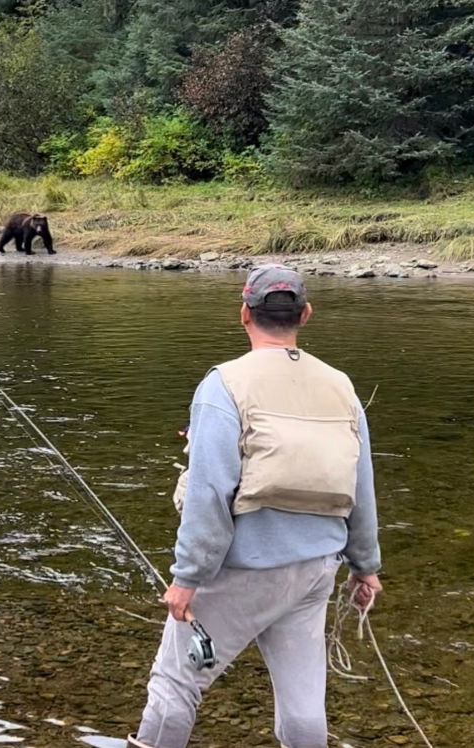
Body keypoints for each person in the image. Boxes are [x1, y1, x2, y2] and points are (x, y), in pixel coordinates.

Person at [129, 264, 383, 748]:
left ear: (244, 313)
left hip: (243, 571)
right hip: (314, 571)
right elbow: (361, 483)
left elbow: (209, 492)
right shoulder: (342, 387)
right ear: (305, 315)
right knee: (303, 704)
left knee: (176, 684)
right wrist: (365, 566)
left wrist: (187, 578)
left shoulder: (223, 384)